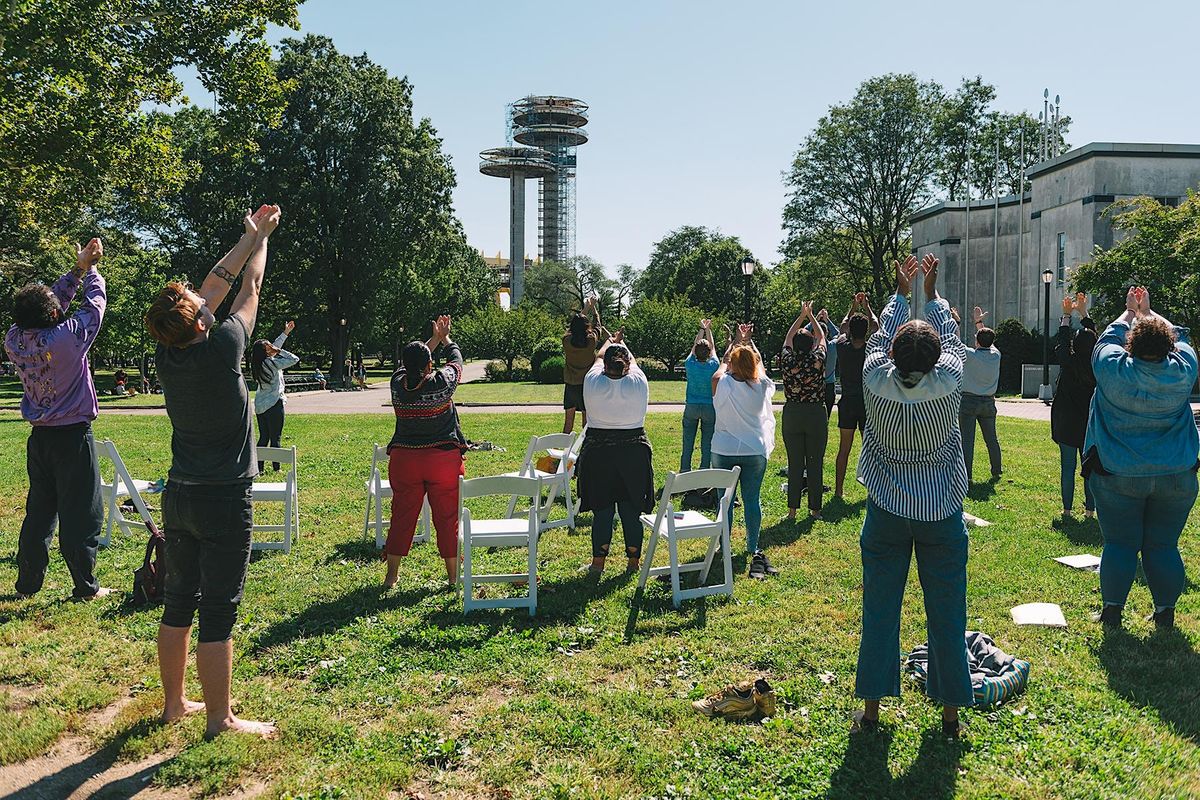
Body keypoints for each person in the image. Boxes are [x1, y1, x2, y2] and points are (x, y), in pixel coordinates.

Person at [145, 203, 281, 739]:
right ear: (200, 318)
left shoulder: (168, 353)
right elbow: (249, 286)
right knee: (219, 608)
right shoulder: (225, 346)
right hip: (225, 499)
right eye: (199, 302)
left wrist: (245, 234)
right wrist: (262, 241)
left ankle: (175, 703)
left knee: (179, 602)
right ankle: (222, 719)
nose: (205, 298)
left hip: (179, 496)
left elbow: (215, 286)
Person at [854, 254, 972, 738]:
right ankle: (949, 717)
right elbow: (954, 343)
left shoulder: (873, 378)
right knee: (947, 609)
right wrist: (934, 294)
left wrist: (902, 295)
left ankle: (872, 712)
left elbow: (880, 340)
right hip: (940, 507)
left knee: (880, 608)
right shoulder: (949, 380)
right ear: (936, 354)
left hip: (885, 507)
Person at [1086, 286, 1198, 630]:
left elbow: (1109, 337)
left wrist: (1130, 312)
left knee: (1119, 544)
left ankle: (1112, 613)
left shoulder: (1112, 369)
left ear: (1131, 345)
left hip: (1117, 473)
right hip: (1177, 474)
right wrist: (1149, 311)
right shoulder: (1184, 370)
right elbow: (1178, 337)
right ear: (1169, 347)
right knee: (1164, 545)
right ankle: (1165, 614)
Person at [5, 238, 109, 602]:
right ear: (52, 315)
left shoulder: (14, 339)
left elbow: (53, 305)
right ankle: (86, 586)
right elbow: (95, 305)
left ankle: (28, 583)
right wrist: (92, 269)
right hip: (72, 438)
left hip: (40, 441)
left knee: (39, 513)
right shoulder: (66, 339)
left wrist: (77, 268)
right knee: (82, 514)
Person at [384, 316, 467, 588]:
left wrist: (430, 342)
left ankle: (392, 576)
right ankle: (453, 577)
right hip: (442, 459)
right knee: (447, 517)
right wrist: (445, 338)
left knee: (402, 516)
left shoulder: (397, 382)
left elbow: (414, 364)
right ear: (430, 365)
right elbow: (457, 361)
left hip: (405, 460)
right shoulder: (442, 383)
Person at [575, 331, 653, 574]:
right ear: (627, 364)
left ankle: (598, 563)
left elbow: (598, 357)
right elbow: (632, 361)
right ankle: (633, 562)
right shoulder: (638, 381)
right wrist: (621, 342)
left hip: (599, 453)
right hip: (633, 452)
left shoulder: (592, 381)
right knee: (631, 509)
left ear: (605, 366)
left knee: (603, 510)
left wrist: (610, 340)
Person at [711, 323, 778, 579]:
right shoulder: (760, 385)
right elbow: (757, 364)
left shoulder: (721, 381)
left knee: (724, 500)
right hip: (753, 449)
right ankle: (752, 545)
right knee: (752, 499)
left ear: (731, 364)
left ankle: (723, 544)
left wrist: (734, 345)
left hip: (724, 449)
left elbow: (722, 365)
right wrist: (748, 342)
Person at [779, 303, 828, 521]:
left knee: (794, 462)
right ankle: (815, 510)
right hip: (816, 413)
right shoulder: (817, 359)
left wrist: (801, 316)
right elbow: (822, 338)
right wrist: (812, 318)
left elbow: (788, 338)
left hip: (792, 414)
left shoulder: (787, 361)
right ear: (811, 345)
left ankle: (792, 511)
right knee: (815, 461)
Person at [1052, 294, 1098, 519]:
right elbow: (1096, 341)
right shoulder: (1098, 366)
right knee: (1089, 470)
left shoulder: (1068, 363)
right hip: (1089, 426)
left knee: (1067, 469)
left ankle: (1067, 510)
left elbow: (1062, 342)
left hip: (1067, 424)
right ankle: (1090, 511)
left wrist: (1066, 316)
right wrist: (1085, 315)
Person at [833, 293, 878, 497]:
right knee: (869, 449)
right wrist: (867, 307)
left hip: (848, 402)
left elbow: (843, 326)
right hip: (867, 403)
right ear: (866, 331)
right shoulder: (871, 348)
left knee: (844, 449)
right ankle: (873, 489)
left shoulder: (842, 346)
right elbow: (877, 326)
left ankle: (839, 490)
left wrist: (853, 306)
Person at [955, 305, 1002, 482]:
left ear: (976, 341)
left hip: (968, 401)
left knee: (967, 441)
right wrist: (979, 322)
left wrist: (957, 322)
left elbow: (954, 341)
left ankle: (966, 476)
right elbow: (988, 340)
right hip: (989, 403)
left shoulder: (970, 355)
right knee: (992, 439)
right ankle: (996, 470)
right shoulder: (996, 355)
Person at [250, 320, 299, 472]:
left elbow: (273, 346)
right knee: (275, 437)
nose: (272, 347)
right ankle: (276, 468)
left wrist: (285, 333)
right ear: (266, 351)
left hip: (260, 405)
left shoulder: (258, 363)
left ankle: (259, 467)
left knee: (264, 437)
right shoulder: (272, 363)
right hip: (274, 404)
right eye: (269, 347)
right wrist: (278, 350)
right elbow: (294, 359)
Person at [562, 297, 607, 434]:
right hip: (587, 386)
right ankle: (585, 452)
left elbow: (572, 328)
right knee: (586, 424)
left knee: (568, 425)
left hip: (570, 386)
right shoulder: (591, 341)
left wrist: (586, 307)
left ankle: (563, 452)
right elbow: (598, 325)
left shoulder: (567, 341)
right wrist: (593, 308)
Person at [681, 318, 720, 472]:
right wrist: (708, 330)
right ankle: (704, 470)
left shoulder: (690, 364)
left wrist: (701, 330)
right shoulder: (714, 365)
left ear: (695, 352)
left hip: (691, 406)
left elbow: (693, 348)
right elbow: (714, 348)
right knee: (707, 443)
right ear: (709, 353)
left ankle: (684, 470)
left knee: (688, 442)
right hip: (709, 408)